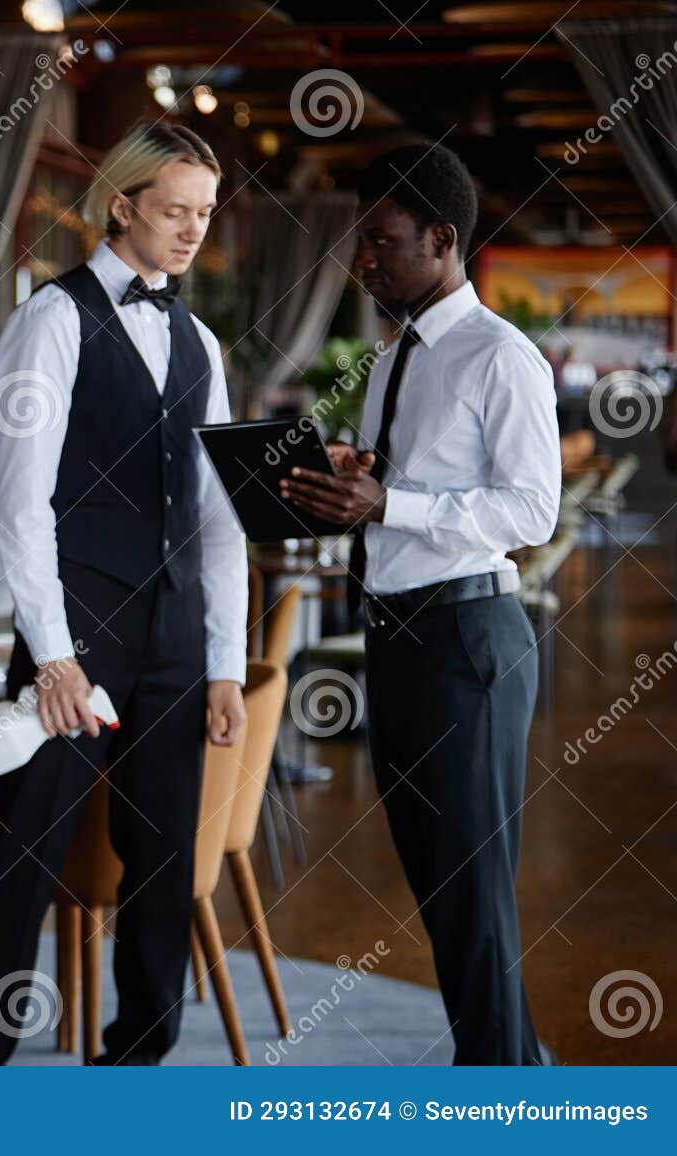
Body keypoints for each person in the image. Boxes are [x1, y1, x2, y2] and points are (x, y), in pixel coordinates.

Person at [0, 121, 248, 1065]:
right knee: (24, 852)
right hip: (75, 627)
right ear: (123, 206)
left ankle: (140, 1058)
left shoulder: (199, 340)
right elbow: (22, 505)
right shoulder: (53, 318)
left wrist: (226, 663)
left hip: (175, 636)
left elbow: (220, 518)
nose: (192, 231)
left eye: (204, 213)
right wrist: (54, 654)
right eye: (173, 211)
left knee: (161, 860)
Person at [281, 143, 559, 1064]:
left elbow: (532, 510)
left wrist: (390, 501)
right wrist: (354, 478)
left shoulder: (499, 356)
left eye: (383, 242)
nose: (365, 261)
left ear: (444, 241)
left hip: (467, 639)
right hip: (398, 639)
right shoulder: (397, 357)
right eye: (362, 242)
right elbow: (404, 484)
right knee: (448, 901)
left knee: (475, 902)